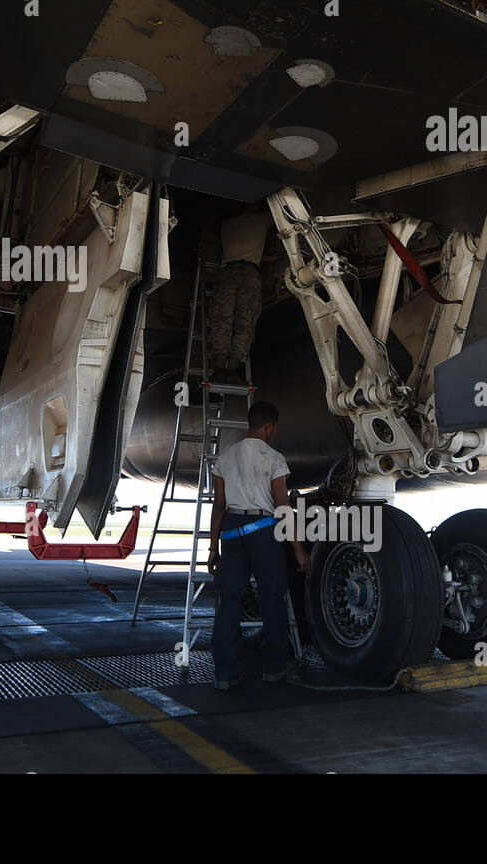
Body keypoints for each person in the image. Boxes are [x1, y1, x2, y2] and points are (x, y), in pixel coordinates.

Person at [207, 401, 309, 687]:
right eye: (274, 428)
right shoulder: (274, 458)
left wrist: (213, 548)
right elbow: (283, 507)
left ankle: (224, 674)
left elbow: (219, 507)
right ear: (268, 426)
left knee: (229, 601)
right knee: (271, 599)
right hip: (263, 532)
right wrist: (299, 550)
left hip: (232, 533)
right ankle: (274, 667)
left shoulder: (226, 457)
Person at [207, 209, 270, 384]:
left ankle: (219, 366)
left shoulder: (228, 224)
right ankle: (234, 366)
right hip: (250, 272)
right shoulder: (263, 218)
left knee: (222, 318)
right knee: (246, 319)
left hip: (227, 272)